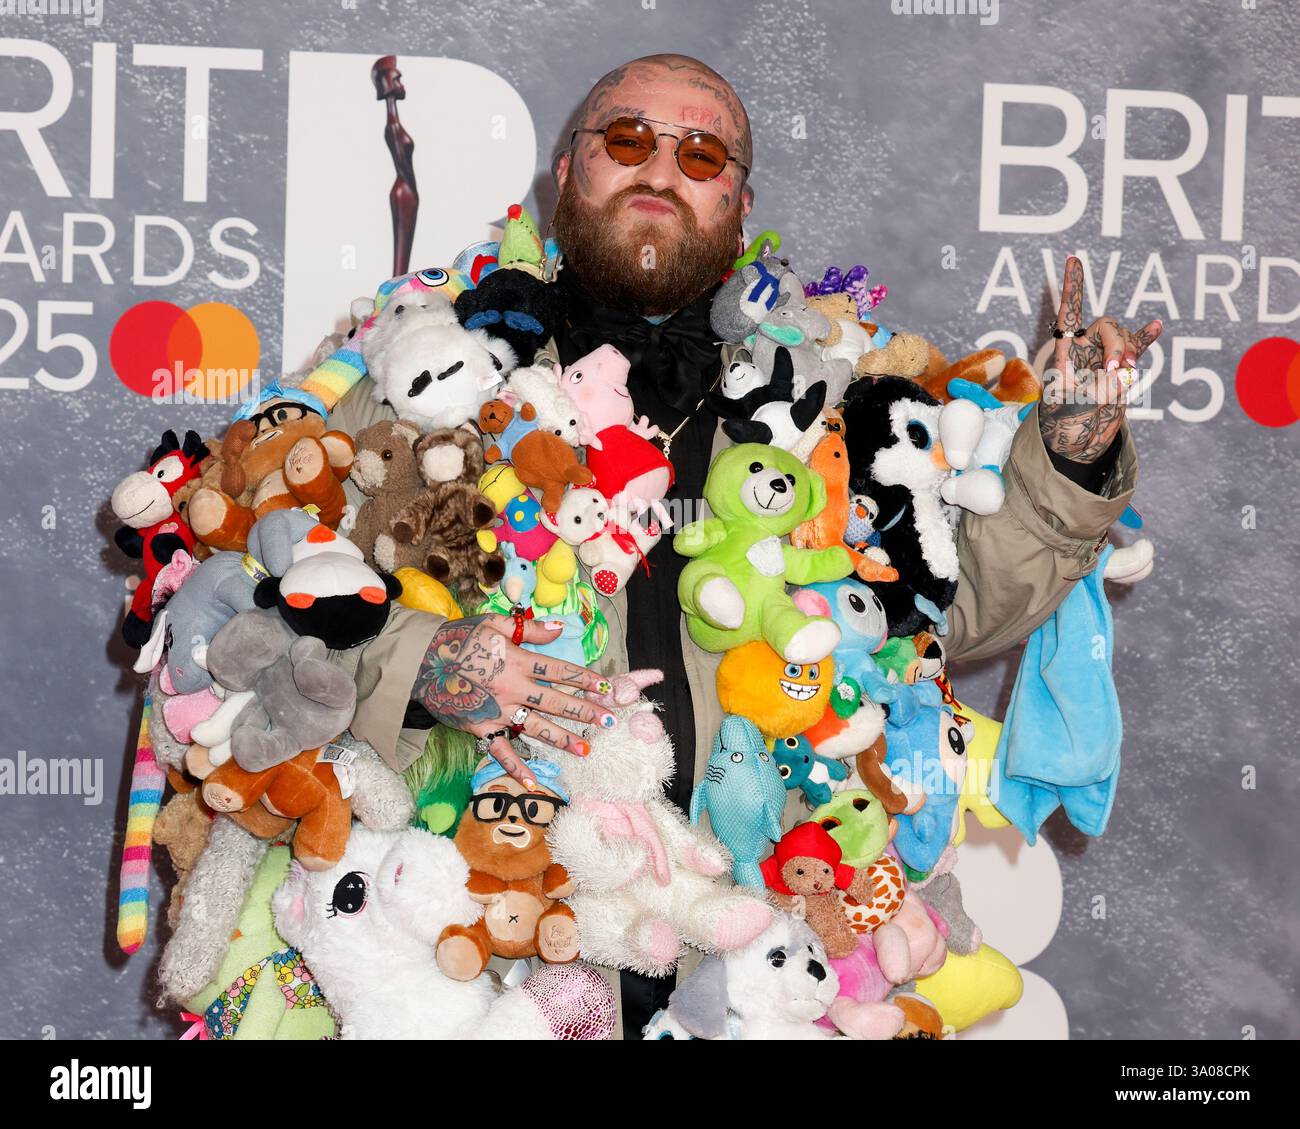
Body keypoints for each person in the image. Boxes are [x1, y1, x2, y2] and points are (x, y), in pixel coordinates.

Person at [325, 53, 1159, 1037]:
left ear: (738, 198)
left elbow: (946, 599)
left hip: (762, 942)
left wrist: (1066, 454)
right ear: (567, 173)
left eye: (701, 152)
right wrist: (426, 664)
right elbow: (280, 608)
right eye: (627, 139)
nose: (660, 170)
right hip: (505, 941)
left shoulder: (826, 388)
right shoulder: (437, 375)